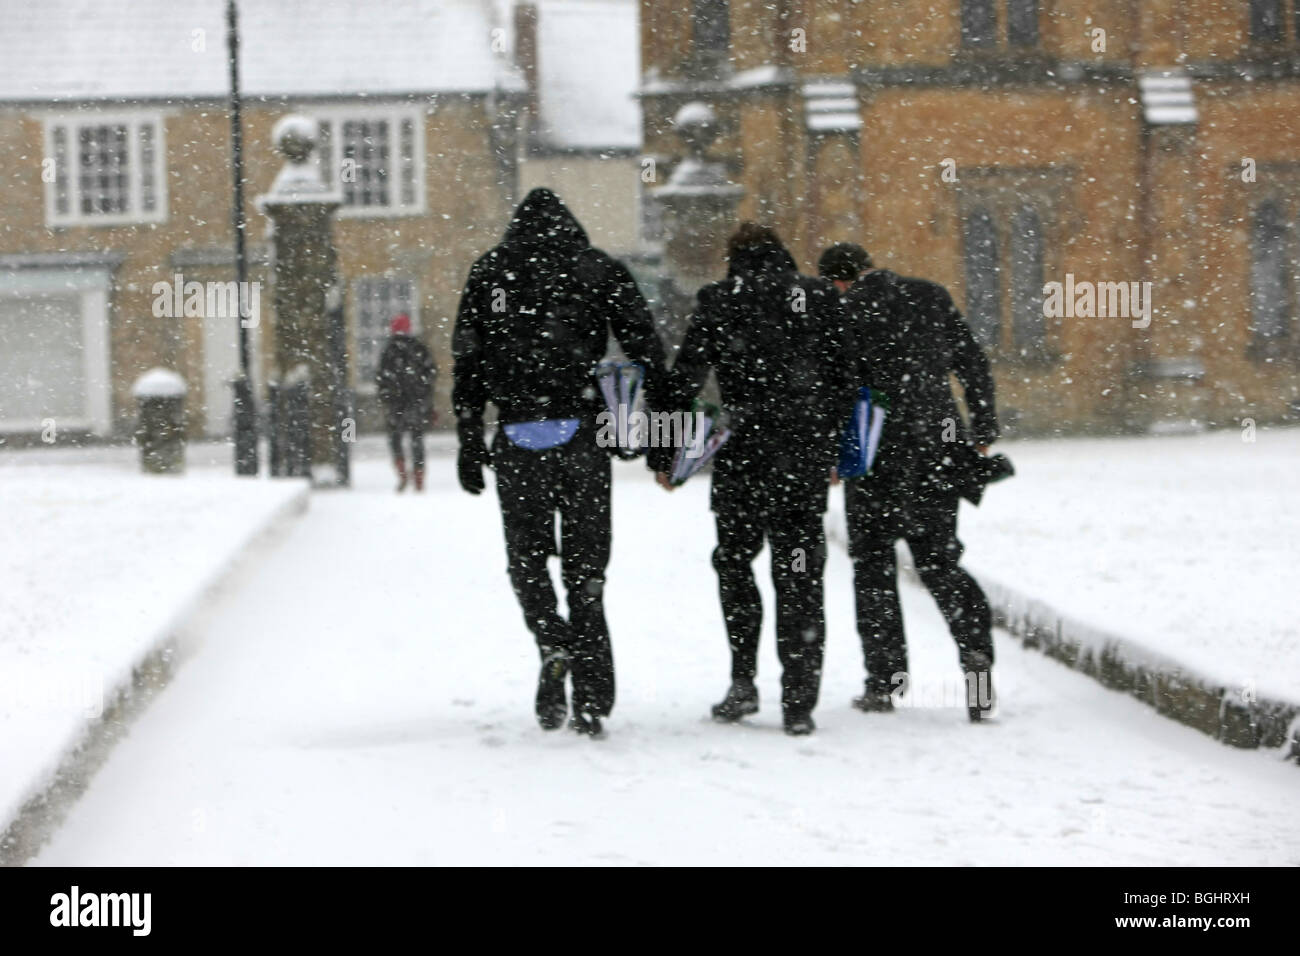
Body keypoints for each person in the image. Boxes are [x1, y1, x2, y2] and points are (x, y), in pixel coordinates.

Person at [452, 188, 667, 737]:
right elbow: (646, 347)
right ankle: (593, 695)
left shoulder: (491, 271)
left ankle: (552, 640)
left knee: (526, 557)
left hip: (517, 433)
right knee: (586, 565)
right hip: (582, 433)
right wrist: (662, 431)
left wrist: (468, 440)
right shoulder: (597, 270)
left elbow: (468, 361)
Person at [655, 224, 860, 736]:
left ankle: (743, 680)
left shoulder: (721, 300)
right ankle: (799, 699)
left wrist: (667, 454)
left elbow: (685, 378)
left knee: (734, 563)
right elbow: (847, 377)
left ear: (733, 257)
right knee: (799, 573)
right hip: (803, 455)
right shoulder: (817, 297)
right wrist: (834, 444)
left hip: (744, 454)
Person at [817, 242, 1002, 722]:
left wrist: (833, 454)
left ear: (838, 280)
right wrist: (982, 428)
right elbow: (972, 362)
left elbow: (834, 389)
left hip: (874, 453)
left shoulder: (840, 310)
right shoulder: (930, 295)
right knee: (941, 561)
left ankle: (885, 681)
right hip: (937, 448)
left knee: (874, 567)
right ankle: (976, 664)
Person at [375, 313, 436, 492]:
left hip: (396, 401)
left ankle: (402, 472)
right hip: (416, 400)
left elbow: (381, 377)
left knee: (395, 437)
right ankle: (418, 475)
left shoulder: (389, 350)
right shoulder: (418, 348)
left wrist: (387, 395)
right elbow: (430, 373)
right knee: (417, 439)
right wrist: (424, 395)